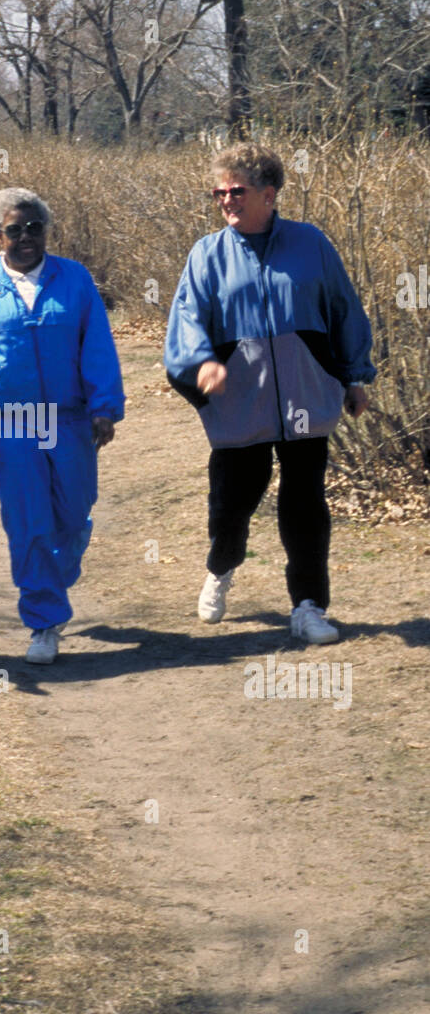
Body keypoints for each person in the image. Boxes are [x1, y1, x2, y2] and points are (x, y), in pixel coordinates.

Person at [164, 143, 374, 644]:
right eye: (219, 192)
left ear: (269, 193)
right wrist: (202, 363)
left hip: (305, 397)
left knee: (304, 504)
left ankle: (308, 606)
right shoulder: (206, 255)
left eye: (236, 190)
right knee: (232, 503)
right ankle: (221, 567)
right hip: (240, 401)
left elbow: (343, 309)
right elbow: (186, 321)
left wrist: (354, 375)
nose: (226, 200)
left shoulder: (311, 244)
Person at [0, 187, 124, 663]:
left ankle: (53, 579)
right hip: (11, 424)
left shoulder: (75, 280)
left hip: (69, 420)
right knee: (28, 522)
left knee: (74, 513)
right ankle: (43, 620)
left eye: (34, 228)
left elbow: (97, 345)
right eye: (14, 230)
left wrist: (104, 406)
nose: (25, 238)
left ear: (46, 232)